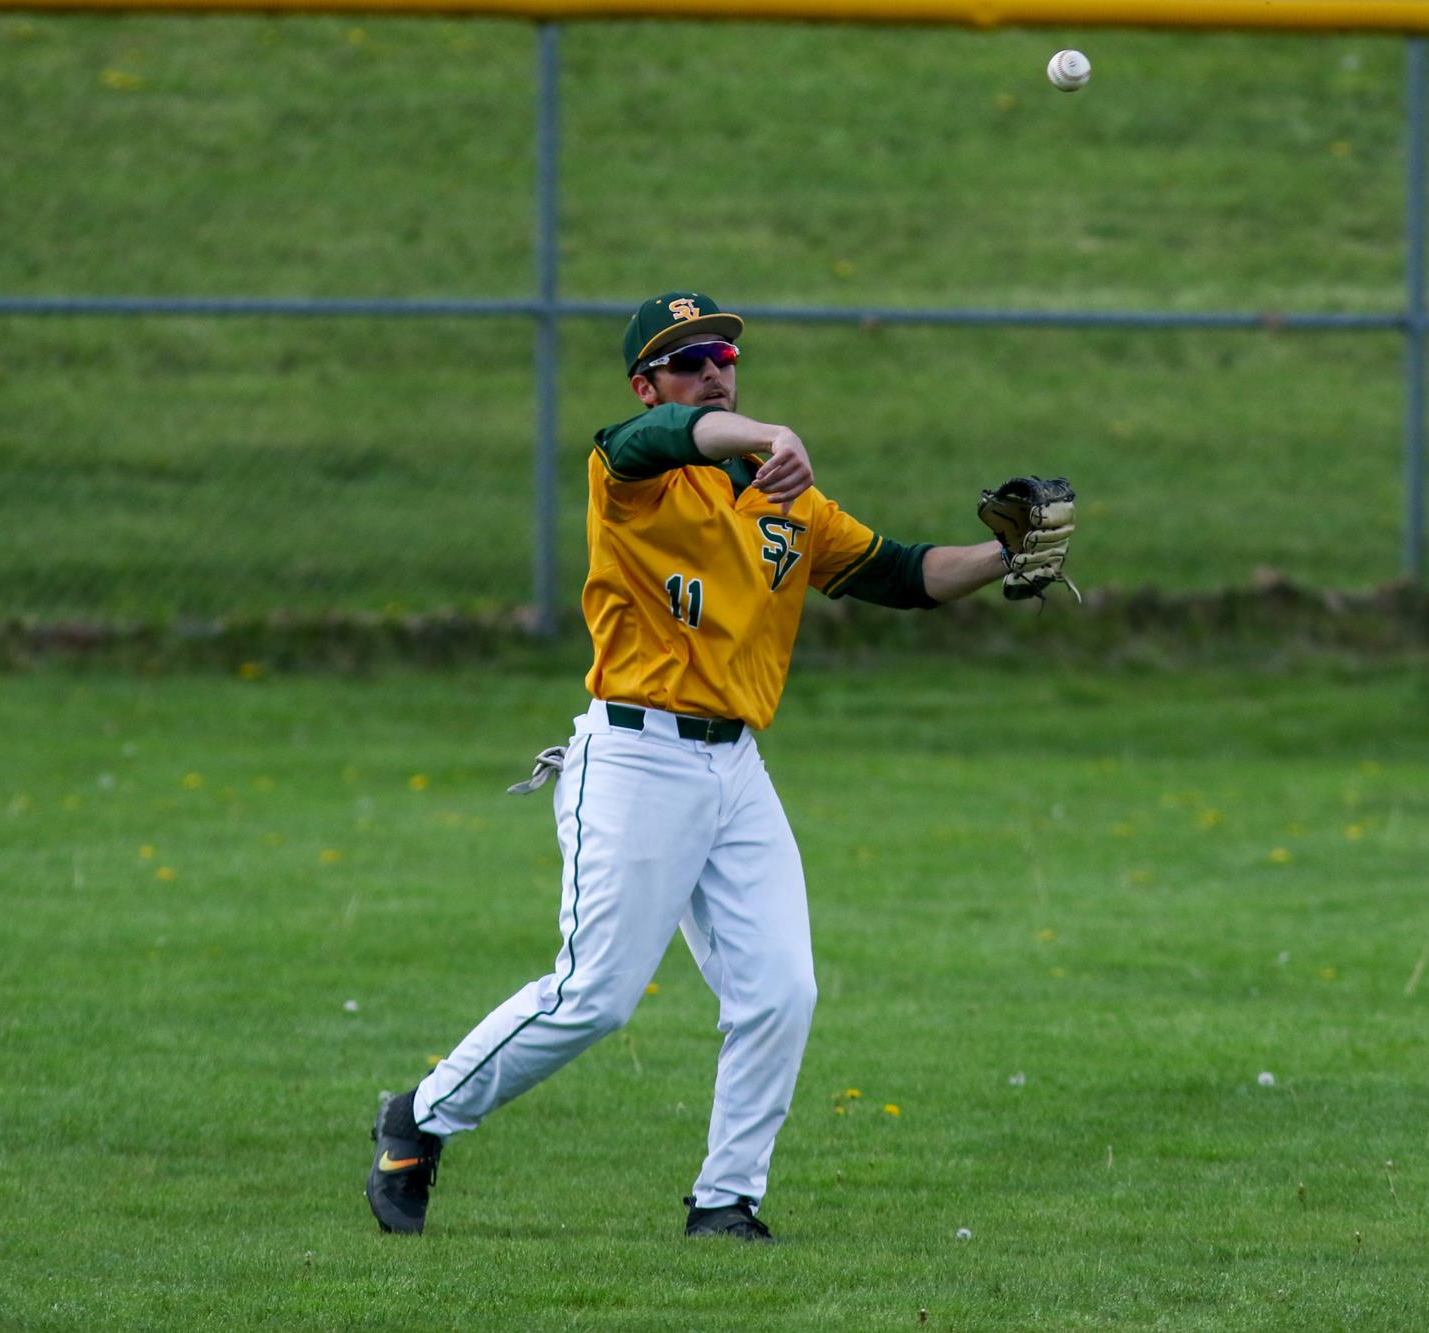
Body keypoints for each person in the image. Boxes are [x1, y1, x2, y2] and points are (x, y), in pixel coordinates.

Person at [365, 290, 1073, 1242]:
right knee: (595, 996)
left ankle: (725, 1200)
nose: (712, 371)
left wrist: (1002, 552)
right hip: (635, 758)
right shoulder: (630, 471)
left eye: (722, 357)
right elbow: (659, 439)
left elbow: (903, 573)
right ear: (647, 384)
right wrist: (769, 432)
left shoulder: (787, 501)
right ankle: (420, 1117)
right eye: (687, 360)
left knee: (781, 989)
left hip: (736, 768)